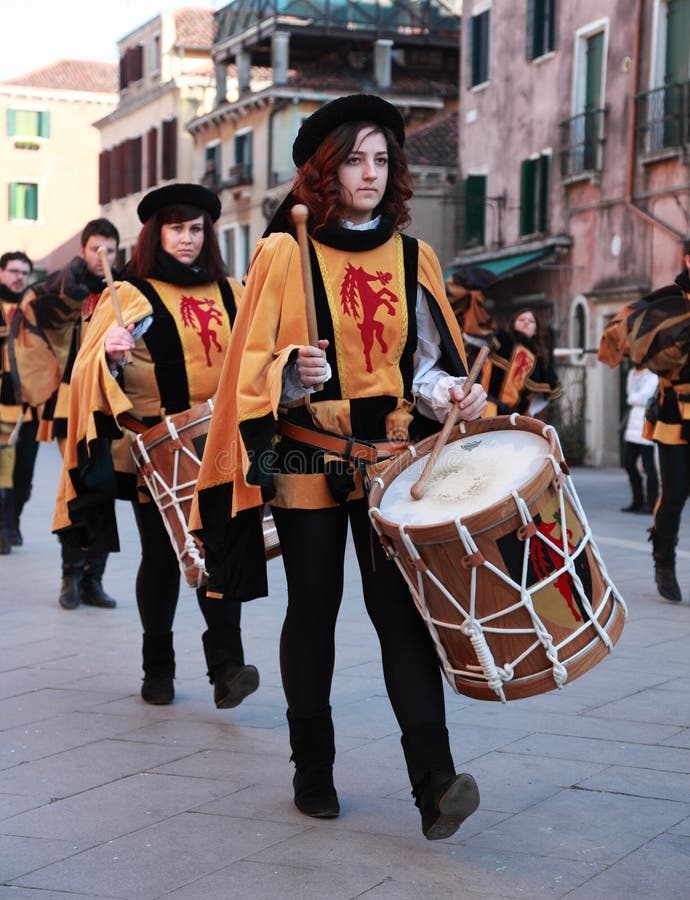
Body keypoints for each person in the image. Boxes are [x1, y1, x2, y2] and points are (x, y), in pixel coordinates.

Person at [191, 95, 487, 839]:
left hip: (388, 455)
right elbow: (246, 366)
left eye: (382, 159)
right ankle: (311, 766)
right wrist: (291, 370)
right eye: (355, 159)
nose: (371, 174)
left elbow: (420, 364)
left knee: (403, 618)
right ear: (324, 169)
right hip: (306, 454)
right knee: (314, 606)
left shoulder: (414, 256)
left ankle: (435, 784)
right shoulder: (284, 251)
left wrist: (450, 388)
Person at [52, 183, 263, 708]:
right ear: (156, 233)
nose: (188, 239)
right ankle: (158, 669)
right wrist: (114, 356)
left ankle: (227, 669)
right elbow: (88, 371)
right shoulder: (128, 295)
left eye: (197, 229)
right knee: (164, 557)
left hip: (219, 446)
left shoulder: (233, 292)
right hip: (158, 450)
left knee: (222, 549)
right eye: (177, 229)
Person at [12, 221, 121, 610]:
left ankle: (95, 577)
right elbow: (30, 324)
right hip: (69, 403)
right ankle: (70, 576)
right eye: (96, 248)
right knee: (76, 485)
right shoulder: (58, 288)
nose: (102, 256)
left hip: (110, 401)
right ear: (83, 250)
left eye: (109, 248)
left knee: (103, 487)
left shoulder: (123, 291)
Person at [599, 239, 690, 604]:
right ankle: (663, 561)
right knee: (673, 496)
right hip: (676, 415)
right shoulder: (666, 302)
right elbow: (641, 348)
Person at [0, 251, 38, 550]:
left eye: (24, 272)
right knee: (2, 476)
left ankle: (14, 520)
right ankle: (5, 529)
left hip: (30, 409)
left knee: (23, 477)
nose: (19, 277)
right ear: (1, 272)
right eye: (13, 271)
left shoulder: (35, 308)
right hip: (1, 405)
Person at [483, 307, 562, 418]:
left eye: (531, 321)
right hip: (485, 405)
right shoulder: (502, 338)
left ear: (535, 330)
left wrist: (530, 411)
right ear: (513, 324)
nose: (526, 322)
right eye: (521, 319)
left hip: (512, 416)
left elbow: (550, 391)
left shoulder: (539, 359)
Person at [620, 365, 658, 514]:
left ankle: (651, 503)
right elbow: (630, 394)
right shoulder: (634, 374)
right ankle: (637, 501)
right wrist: (633, 376)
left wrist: (633, 398)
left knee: (649, 468)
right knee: (629, 464)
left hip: (646, 426)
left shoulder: (654, 375)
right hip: (633, 427)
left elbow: (644, 397)